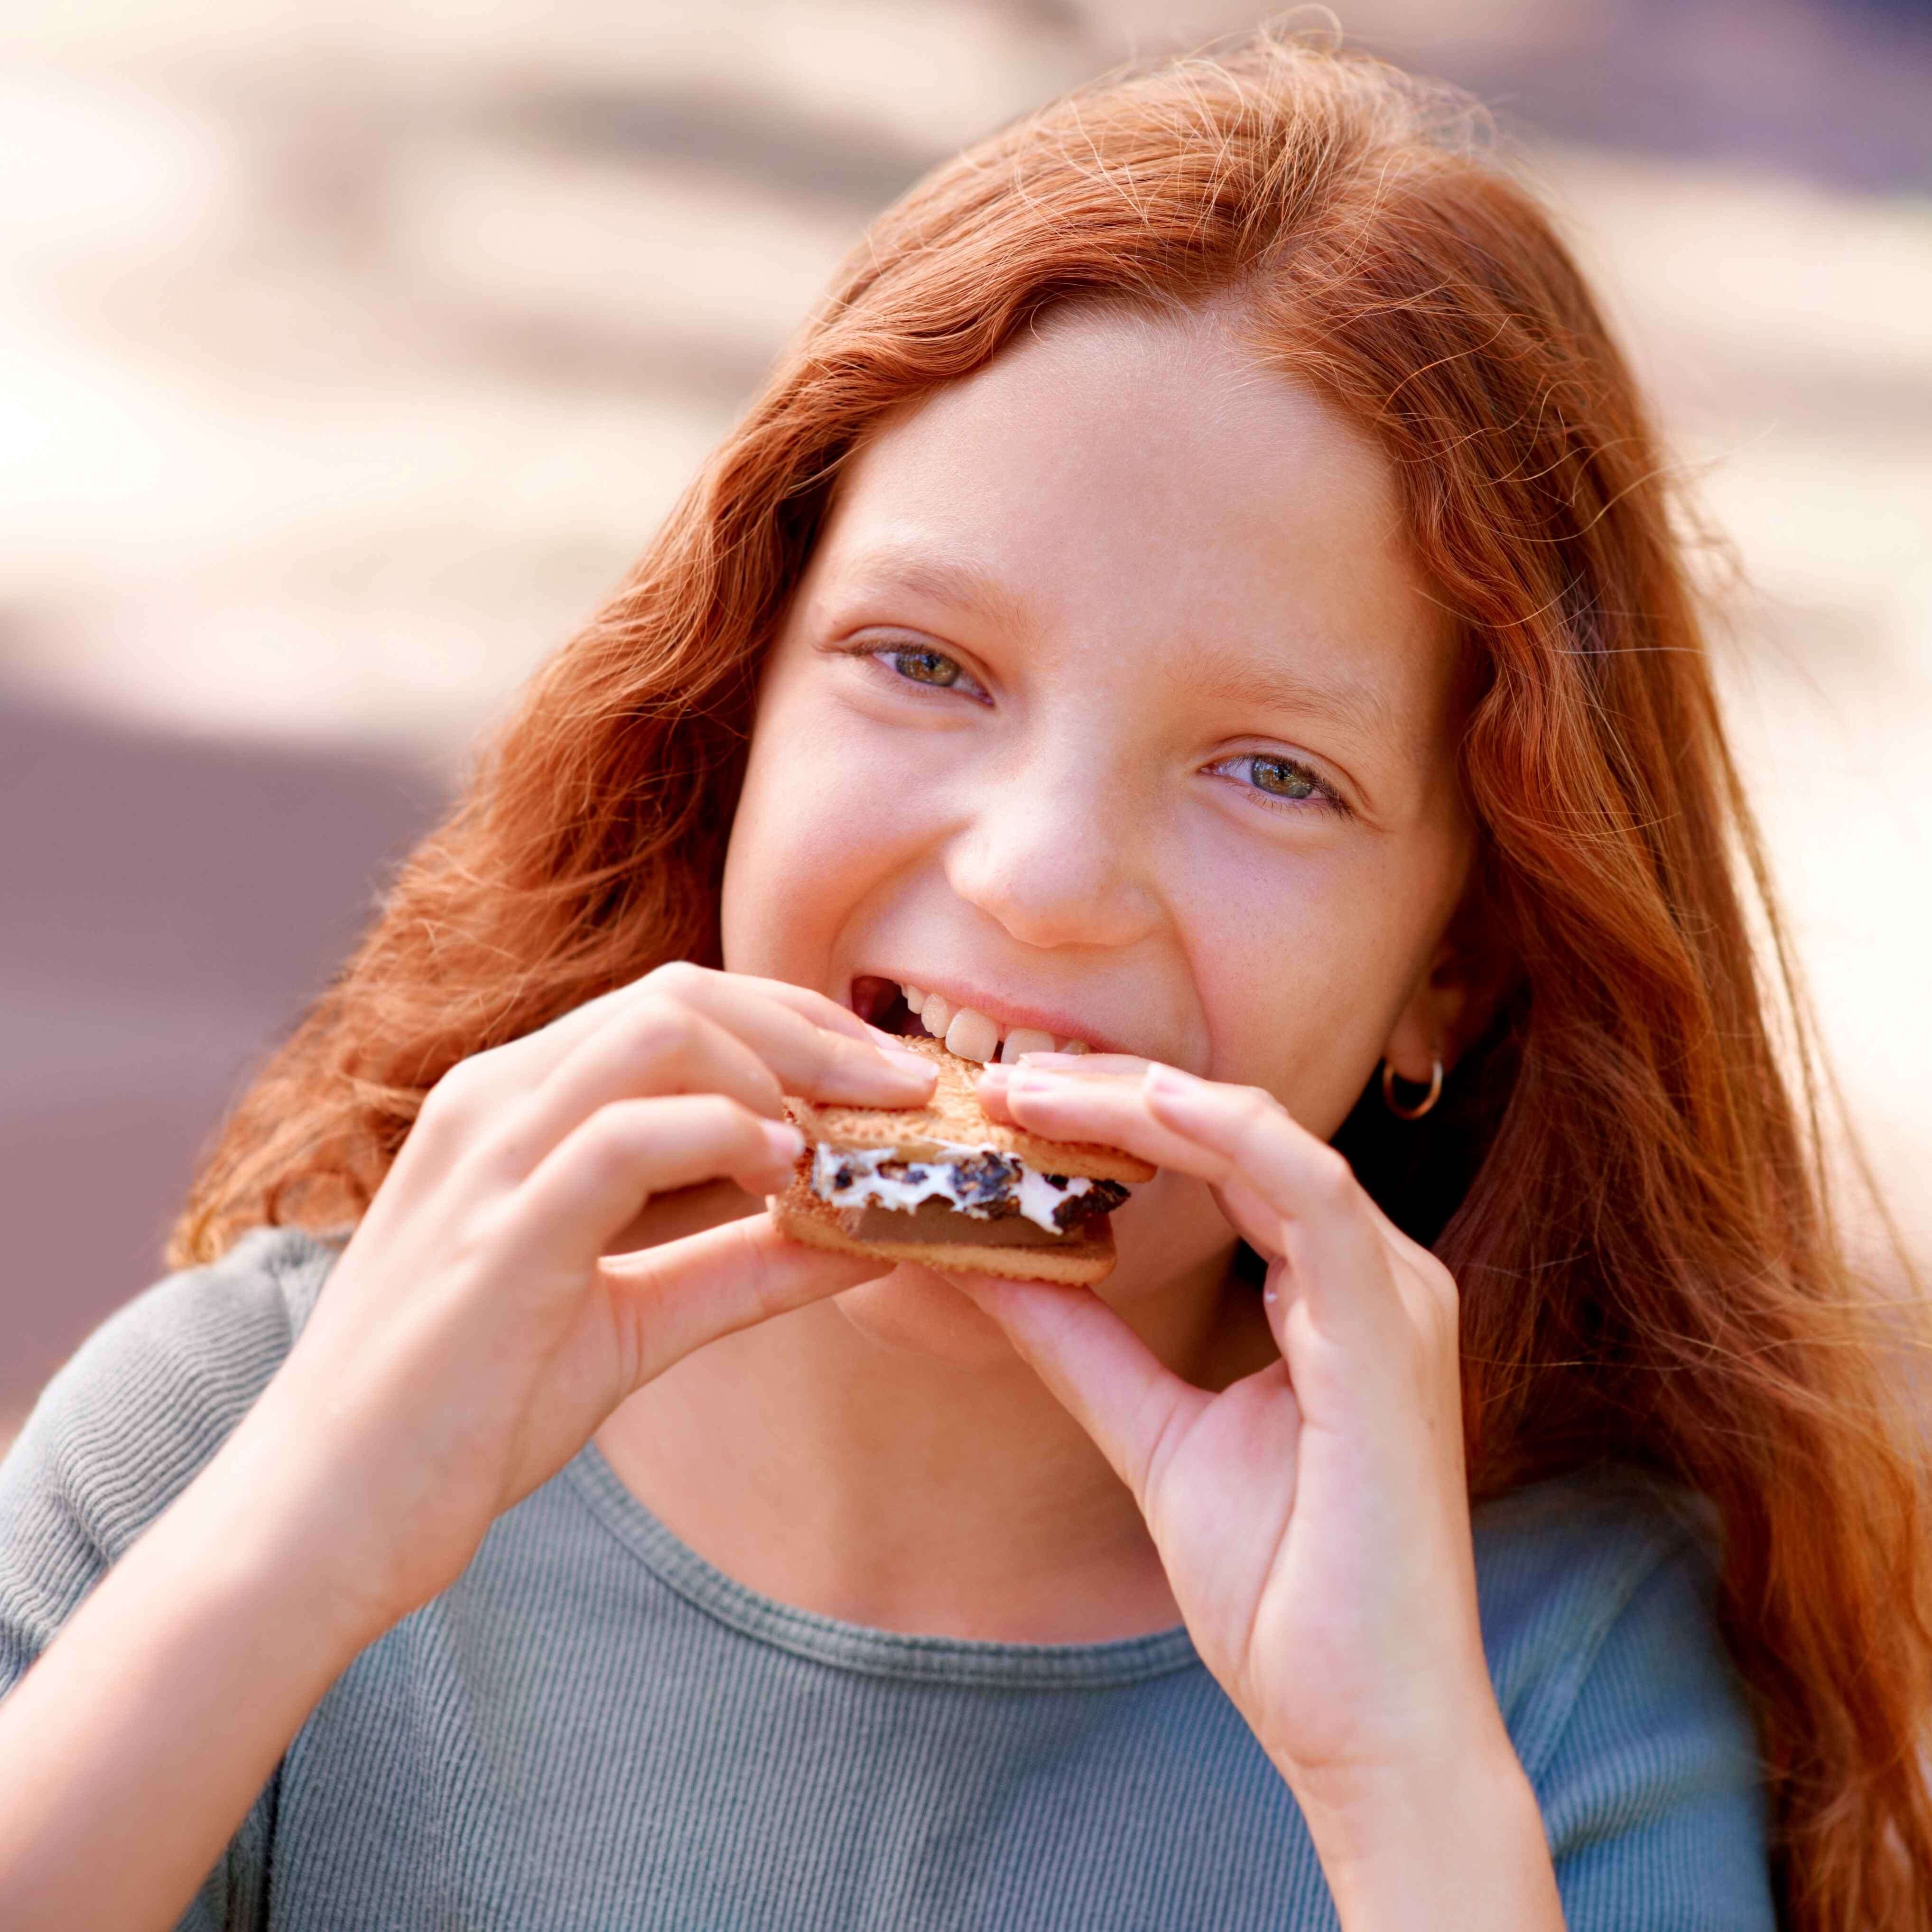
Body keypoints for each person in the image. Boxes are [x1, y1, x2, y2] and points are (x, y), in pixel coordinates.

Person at [1, 26, 1927, 1931]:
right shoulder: (239, 1436)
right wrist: (286, 1562)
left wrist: (1395, 1781)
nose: (1041, 874)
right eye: (923, 662)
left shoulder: (1533, 1681)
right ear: (728, 712)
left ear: (1457, 970)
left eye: (1272, 773)